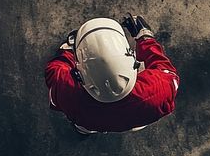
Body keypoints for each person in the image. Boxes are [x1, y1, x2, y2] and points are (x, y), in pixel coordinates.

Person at [46, 15, 179, 134]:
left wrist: (67, 51)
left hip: (90, 121)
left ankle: (83, 132)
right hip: (139, 118)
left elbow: (55, 69)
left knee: (83, 126)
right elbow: (166, 69)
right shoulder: (158, 90)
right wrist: (145, 38)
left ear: (80, 74)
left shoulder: (67, 93)